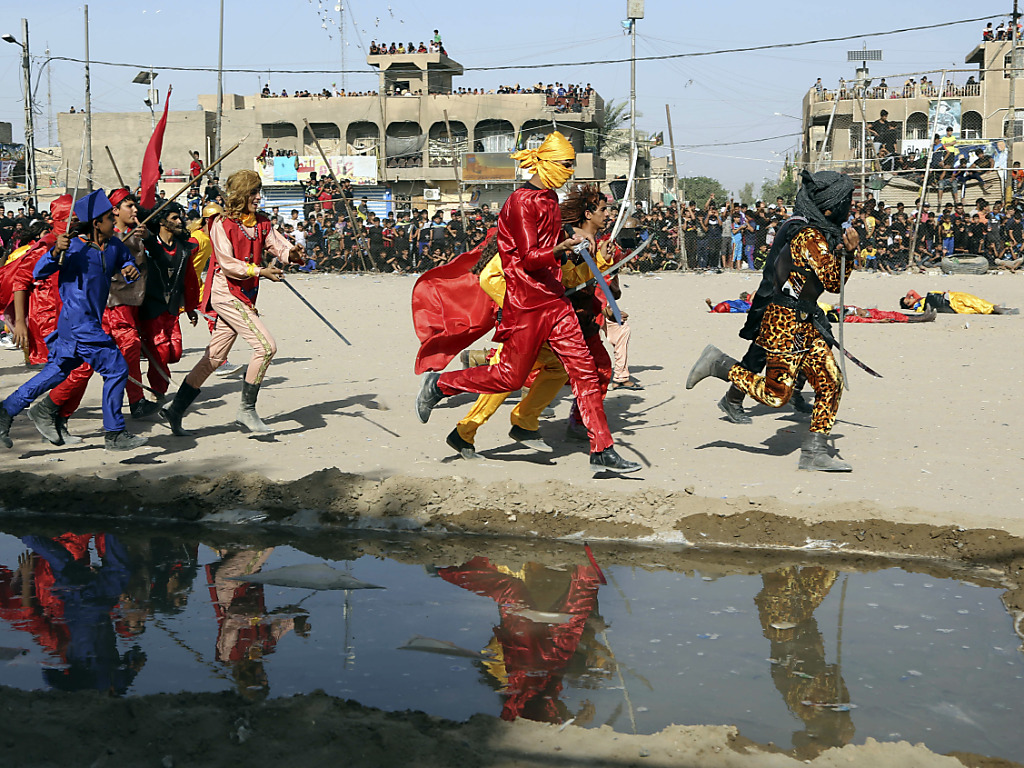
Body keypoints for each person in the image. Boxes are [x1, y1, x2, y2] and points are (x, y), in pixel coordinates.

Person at [414, 132, 640, 474]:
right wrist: (560, 250)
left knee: (584, 372)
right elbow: (528, 258)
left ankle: (602, 448)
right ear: (545, 162)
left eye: (571, 166)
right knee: (509, 377)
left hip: (554, 302)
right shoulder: (522, 201)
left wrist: (580, 254)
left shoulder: (549, 198)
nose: (569, 172)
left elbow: (557, 266)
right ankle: (442, 385)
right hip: (525, 305)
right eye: (565, 165)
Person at [685, 170, 859, 472]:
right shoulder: (809, 236)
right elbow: (833, 282)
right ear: (830, 207)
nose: (850, 208)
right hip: (785, 322)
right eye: (847, 202)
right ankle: (719, 365)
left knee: (831, 383)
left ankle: (814, 451)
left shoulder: (818, 234)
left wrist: (844, 253)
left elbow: (827, 276)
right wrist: (852, 252)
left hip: (804, 320)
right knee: (775, 396)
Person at [160, 170, 305, 436]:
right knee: (266, 347)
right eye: (253, 192)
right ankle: (246, 411)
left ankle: (175, 409)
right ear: (240, 194)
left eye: (258, 192)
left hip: (245, 296)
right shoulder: (220, 224)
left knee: (214, 358)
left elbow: (280, 247)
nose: (258, 197)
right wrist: (260, 271)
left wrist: (293, 254)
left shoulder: (262, 222)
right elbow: (227, 263)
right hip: (227, 294)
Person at [0, 190, 147, 451]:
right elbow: (38, 271)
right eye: (109, 218)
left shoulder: (114, 245)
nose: (114, 222)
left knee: (57, 371)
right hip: (78, 324)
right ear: (96, 223)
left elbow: (128, 269)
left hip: (86, 323)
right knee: (116, 368)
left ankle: (6, 410)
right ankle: (114, 433)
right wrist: (55, 251)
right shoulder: (72, 247)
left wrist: (131, 271)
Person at [138, 202, 201, 401]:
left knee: (175, 352)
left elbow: (189, 279)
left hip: (172, 307)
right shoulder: (146, 247)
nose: (179, 221)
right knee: (161, 351)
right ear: (162, 221)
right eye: (174, 218)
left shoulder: (183, 249)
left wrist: (190, 307)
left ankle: (153, 365)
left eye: (179, 217)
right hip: (151, 307)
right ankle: (159, 392)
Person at [899, 289, 1018, 314]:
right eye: (908, 301)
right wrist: (908, 300)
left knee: (972, 307)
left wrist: (908, 298)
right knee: (972, 301)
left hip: (949, 307)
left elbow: (911, 291)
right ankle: (994, 308)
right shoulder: (917, 306)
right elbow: (911, 291)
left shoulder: (918, 300)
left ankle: (994, 309)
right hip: (946, 299)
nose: (911, 298)